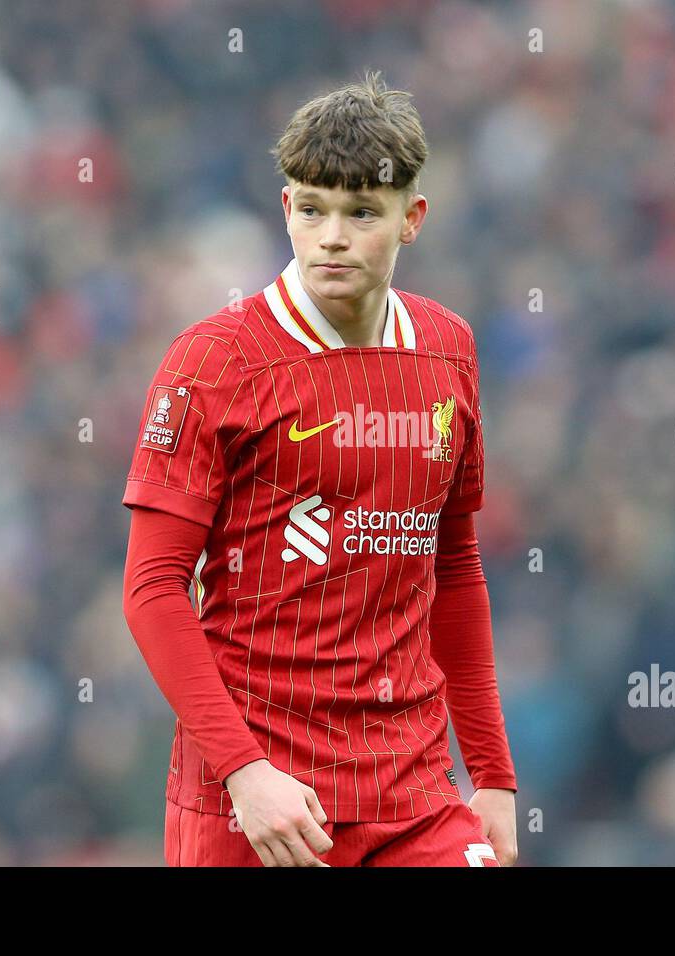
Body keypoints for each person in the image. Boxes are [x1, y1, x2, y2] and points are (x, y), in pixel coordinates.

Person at [122, 70, 517, 867]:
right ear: (286, 211)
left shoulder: (448, 352)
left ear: (412, 218)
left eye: (361, 213)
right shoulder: (213, 363)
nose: (332, 237)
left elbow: (456, 567)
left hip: (411, 795)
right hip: (258, 804)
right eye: (312, 209)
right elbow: (153, 588)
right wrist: (245, 772)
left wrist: (494, 775)